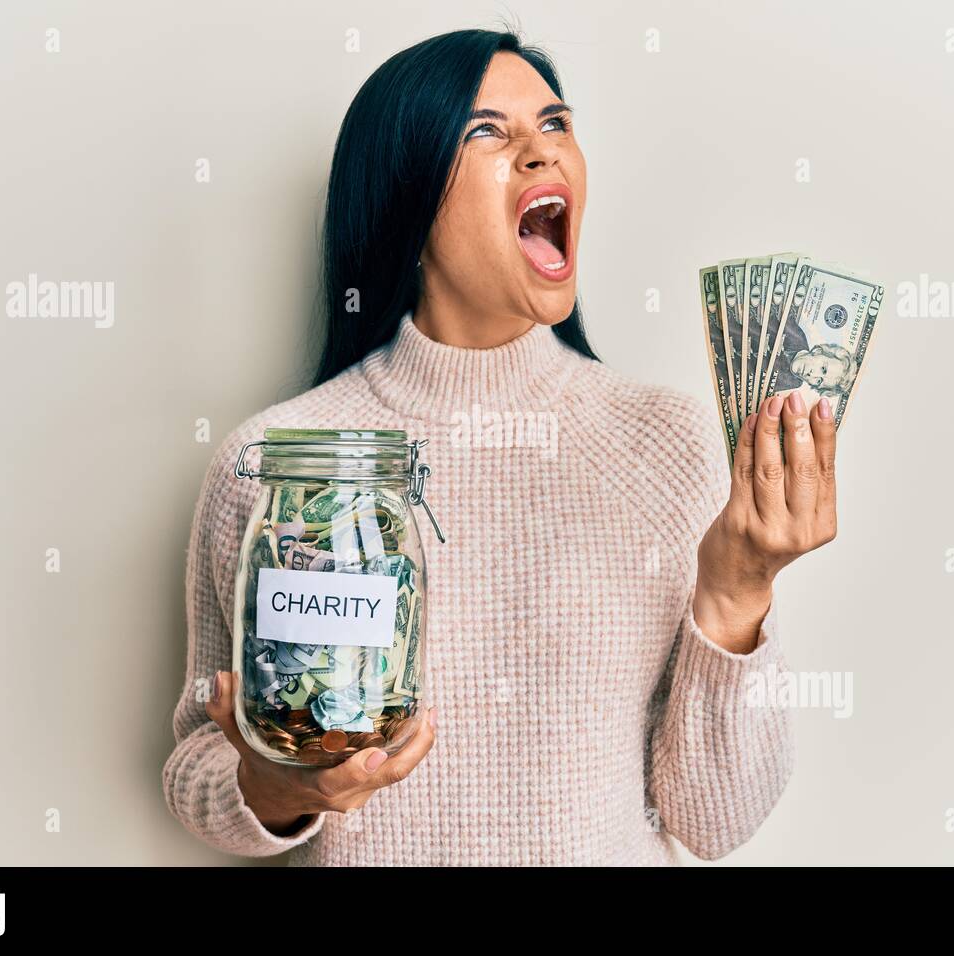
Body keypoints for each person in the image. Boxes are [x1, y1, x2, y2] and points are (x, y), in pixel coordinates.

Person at [162, 28, 839, 865]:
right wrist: (281, 783)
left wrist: (739, 597)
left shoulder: (665, 440)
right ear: (405, 202)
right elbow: (200, 762)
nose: (538, 152)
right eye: (486, 132)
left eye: (555, 124)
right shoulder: (274, 462)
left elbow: (714, 821)